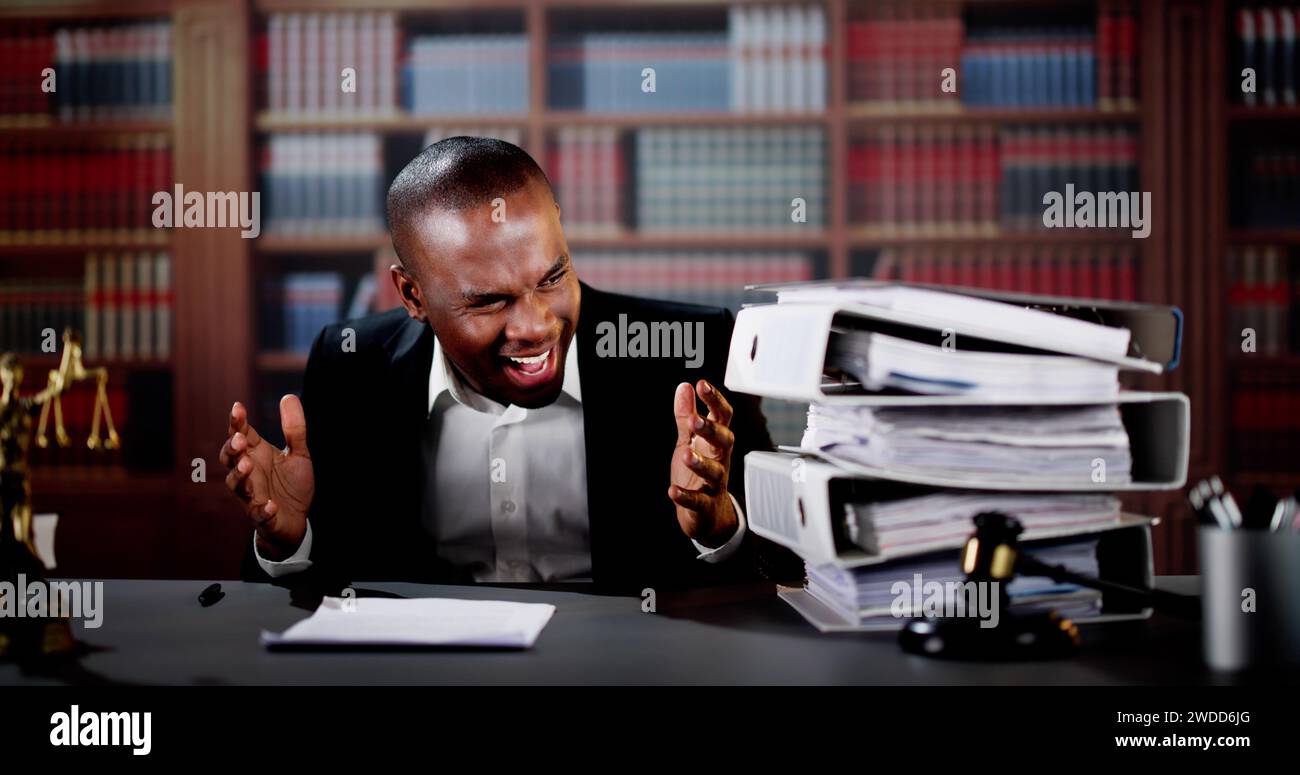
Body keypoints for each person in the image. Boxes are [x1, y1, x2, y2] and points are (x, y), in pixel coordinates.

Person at [218, 137, 796, 591]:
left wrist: (721, 529)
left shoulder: (684, 351)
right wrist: (287, 543)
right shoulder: (351, 368)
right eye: (490, 301)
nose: (536, 325)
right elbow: (311, 594)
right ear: (413, 296)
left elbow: (786, 571)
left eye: (552, 277)